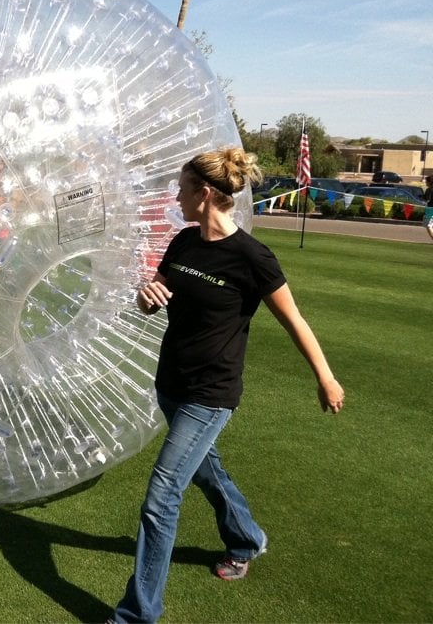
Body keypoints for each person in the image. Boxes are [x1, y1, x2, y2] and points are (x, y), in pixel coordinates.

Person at [111, 147, 345, 623]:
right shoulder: (183, 243)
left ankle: (137, 615)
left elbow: (294, 320)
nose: (175, 194)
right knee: (205, 470)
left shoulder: (252, 258)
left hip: (211, 393)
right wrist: (145, 297)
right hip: (172, 382)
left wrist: (326, 376)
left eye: (181, 187)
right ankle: (246, 539)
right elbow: (151, 301)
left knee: (162, 496)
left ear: (205, 193)